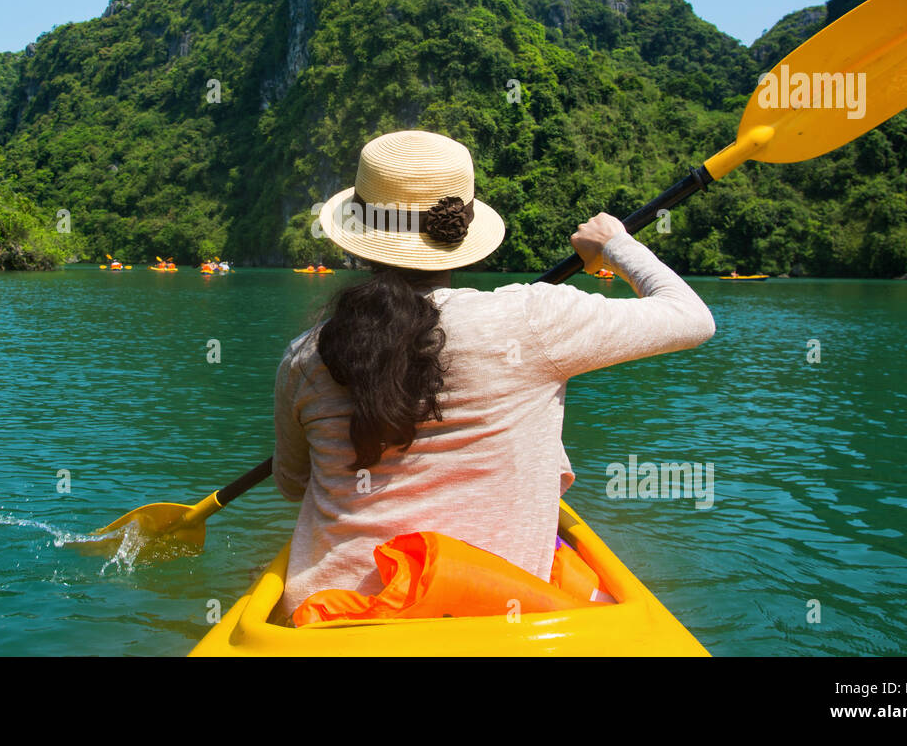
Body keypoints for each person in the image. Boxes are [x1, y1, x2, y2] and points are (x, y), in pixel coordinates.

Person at [272, 130, 715, 621]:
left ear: (359, 238)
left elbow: (293, 483)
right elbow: (692, 318)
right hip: (496, 613)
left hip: (331, 619)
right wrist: (615, 244)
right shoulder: (533, 318)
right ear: (463, 234)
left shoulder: (306, 355)